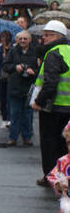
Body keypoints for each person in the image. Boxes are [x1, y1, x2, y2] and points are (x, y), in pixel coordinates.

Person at [32, 20, 70, 186]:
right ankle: (64, 174)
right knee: (64, 144)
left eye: (47, 35)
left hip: (53, 107)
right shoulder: (68, 50)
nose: (43, 38)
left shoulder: (53, 53)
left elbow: (50, 83)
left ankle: (50, 176)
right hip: (67, 107)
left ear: (57, 36)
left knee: (49, 143)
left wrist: (38, 102)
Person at [2, 29, 38, 145]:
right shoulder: (13, 51)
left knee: (27, 115)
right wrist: (15, 67)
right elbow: (5, 66)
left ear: (30, 40)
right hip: (15, 87)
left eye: (25, 39)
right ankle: (13, 137)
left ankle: (27, 137)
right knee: (14, 113)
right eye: (20, 38)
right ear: (17, 39)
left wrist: (34, 71)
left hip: (29, 88)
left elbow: (41, 68)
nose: (22, 41)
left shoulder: (35, 52)